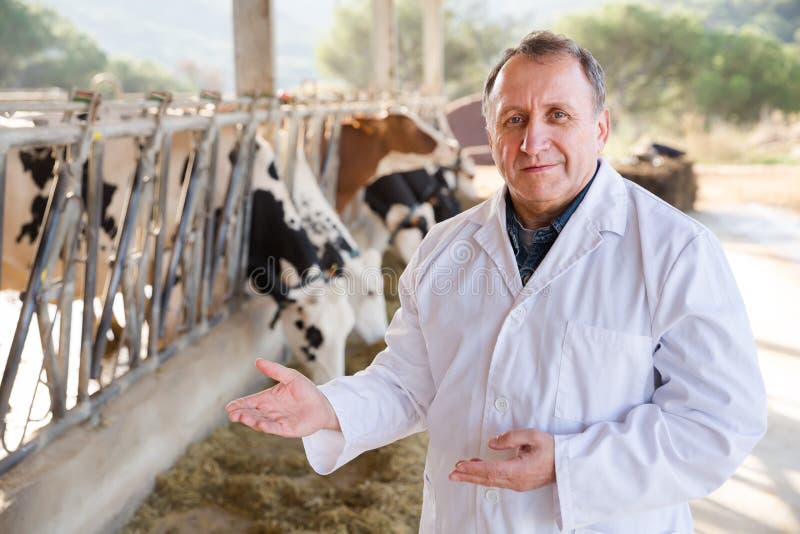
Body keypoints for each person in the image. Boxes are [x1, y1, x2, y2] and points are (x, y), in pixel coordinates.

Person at [226, 30, 766, 533]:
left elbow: (718, 424)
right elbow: (409, 382)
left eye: (559, 115)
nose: (534, 142)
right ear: (490, 134)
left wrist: (569, 464)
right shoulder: (442, 248)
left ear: (599, 128)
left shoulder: (675, 253)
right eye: (514, 119)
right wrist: (328, 408)